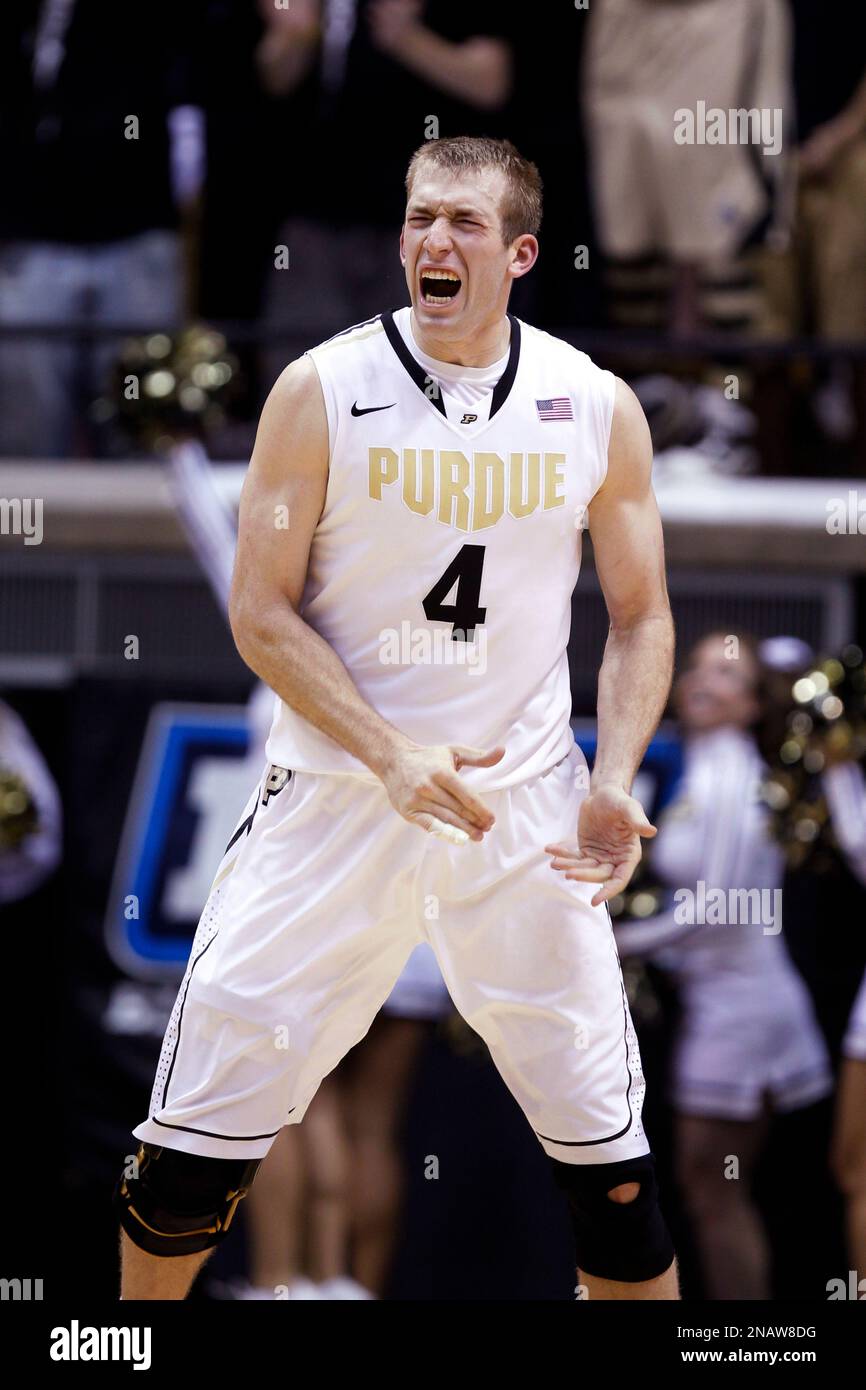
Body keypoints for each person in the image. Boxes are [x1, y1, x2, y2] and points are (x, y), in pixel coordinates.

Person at [115, 134, 678, 1302]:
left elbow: (638, 617)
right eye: (420, 218)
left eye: (464, 224)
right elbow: (259, 613)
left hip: (520, 812)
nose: (432, 240)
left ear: (519, 252)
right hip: (331, 800)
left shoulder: (593, 404)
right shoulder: (319, 390)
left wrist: (612, 770)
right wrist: (388, 752)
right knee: (177, 1179)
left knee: (618, 1197)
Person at [611, 633, 833, 1299]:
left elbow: (716, 909)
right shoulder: (699, 765)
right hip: (719, 1001)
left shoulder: (735, 773)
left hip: (743, 1009)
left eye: (728, 674)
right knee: (709, 1191)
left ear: (753, 703)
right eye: (698, 667)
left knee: (714, 1192)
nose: (705, 680)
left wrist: (607, 944)